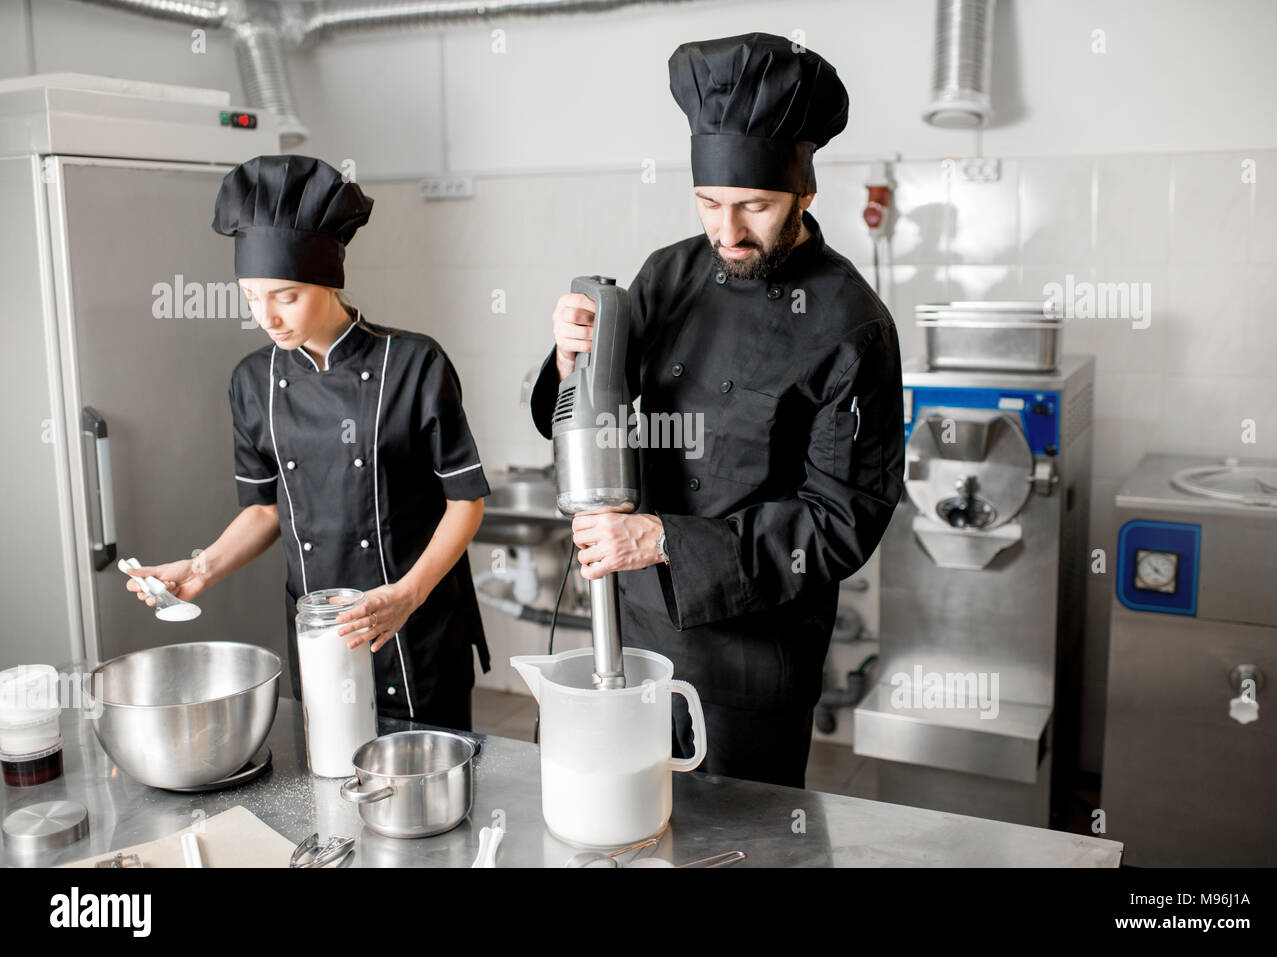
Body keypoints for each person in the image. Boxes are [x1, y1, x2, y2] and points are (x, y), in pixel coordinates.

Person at [530, 33, 905, 787]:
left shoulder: (851, 324)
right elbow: (591, 408)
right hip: (633, 627)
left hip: (753, 659)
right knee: (626, 815)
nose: (727, 233)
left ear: (803, 192)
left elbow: (840, 522)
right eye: (709, 204)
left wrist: (665, 538)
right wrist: (572, 358)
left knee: (743, 845)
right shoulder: (669, 273)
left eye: (753, 207)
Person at [126, 154, 491, 730]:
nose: (267, 317)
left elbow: (465, 501)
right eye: (251, 297)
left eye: (286, 295)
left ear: (328, 279)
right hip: (322, 635)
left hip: (418, 629)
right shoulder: (252, 381)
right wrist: (202, 568)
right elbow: (267, 508)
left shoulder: (413, 363)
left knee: (434, 796)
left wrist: (406, 595)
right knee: (333, 775)